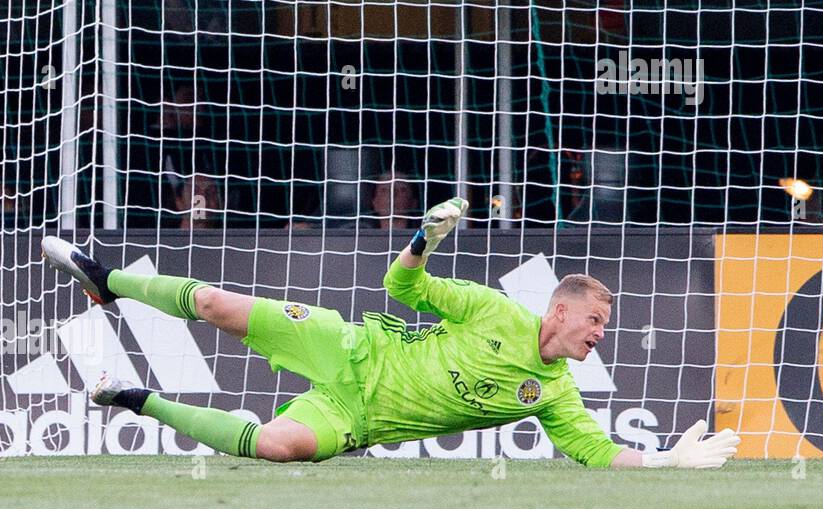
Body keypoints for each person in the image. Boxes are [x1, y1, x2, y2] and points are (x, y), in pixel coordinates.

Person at [40, 198, 738, 470]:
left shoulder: (552, 393)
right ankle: (108, 280)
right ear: (559, 312)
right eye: (595, 322)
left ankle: (134, 399)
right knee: (219, 304)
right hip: (350, 346)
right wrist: (423, 240)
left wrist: (666, 464)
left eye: (604, 328)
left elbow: (594, 453)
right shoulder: (495, 311)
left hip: (358, 414)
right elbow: (400, 289)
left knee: (282, 446)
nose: (600, 337)